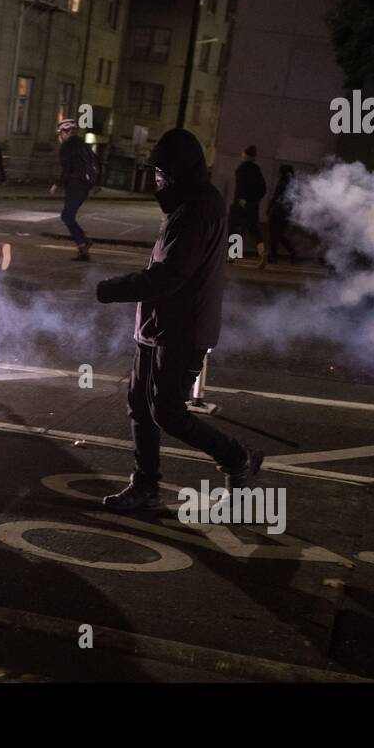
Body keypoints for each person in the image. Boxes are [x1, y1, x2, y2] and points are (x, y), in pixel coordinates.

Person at [95, 127, 262, 512]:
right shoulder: (187, 202)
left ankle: (237, 456)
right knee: (140, 405)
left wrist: (113, 289)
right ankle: (145, 486)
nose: (155, 177)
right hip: (158, 327)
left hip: (181, 329)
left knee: (167, 412)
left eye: (160, 171)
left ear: (177, 171)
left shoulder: (195, 208)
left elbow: (171, 275)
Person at [55, 119, 95, 260]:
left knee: (67, 216)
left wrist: (57, 184)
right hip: (84, 186)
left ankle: (83, 243)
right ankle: (83, 247)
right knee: (68, 215)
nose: (59, 136)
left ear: (66, 132)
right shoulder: (82, 144)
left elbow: (67, 168)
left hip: (75, 185)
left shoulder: (68, 146)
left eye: (60, 133)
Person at [229, 145, 267, 262]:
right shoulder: (257, 170)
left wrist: (242, 198)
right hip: (253, 205)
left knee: (234, 227)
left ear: (245, 155)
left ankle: (233, 255)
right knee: (253, 229)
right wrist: (254, 200)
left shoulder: (242, 168)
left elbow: (241, 186)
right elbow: (263, 189)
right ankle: (262, 251)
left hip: (240, 203)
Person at [265, 164, 298, 265]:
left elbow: (275, 197)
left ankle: (273, 256)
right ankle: (292, 252)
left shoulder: (282, 183)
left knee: (273, 235)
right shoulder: (293, 184)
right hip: (286, 212)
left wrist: (269, 208)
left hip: (277, 211)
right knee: (280, 235)